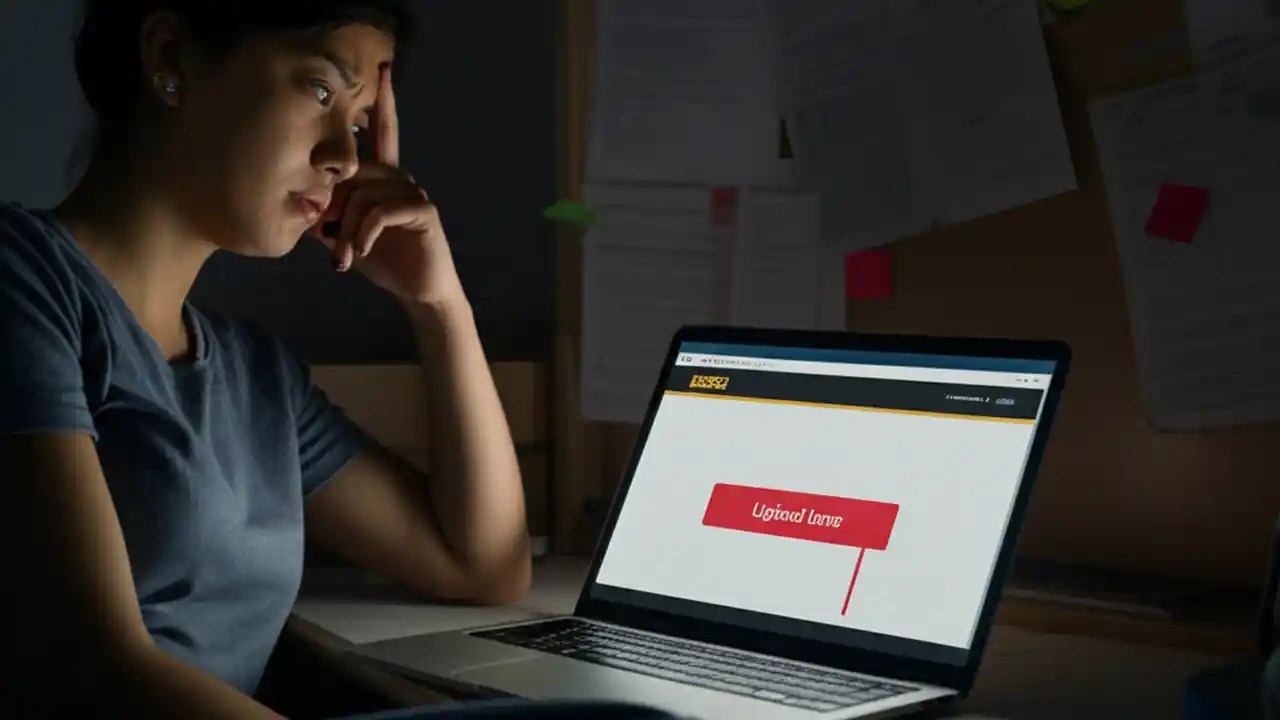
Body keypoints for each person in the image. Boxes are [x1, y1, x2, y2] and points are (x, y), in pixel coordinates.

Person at [0, 2, 673, 718]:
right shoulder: (25, 281)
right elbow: (98, 666)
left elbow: (483, 565)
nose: (346, 159)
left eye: (358, 122)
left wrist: (438, 303)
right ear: (171, 58)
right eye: (321, 90)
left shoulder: (254, 376)